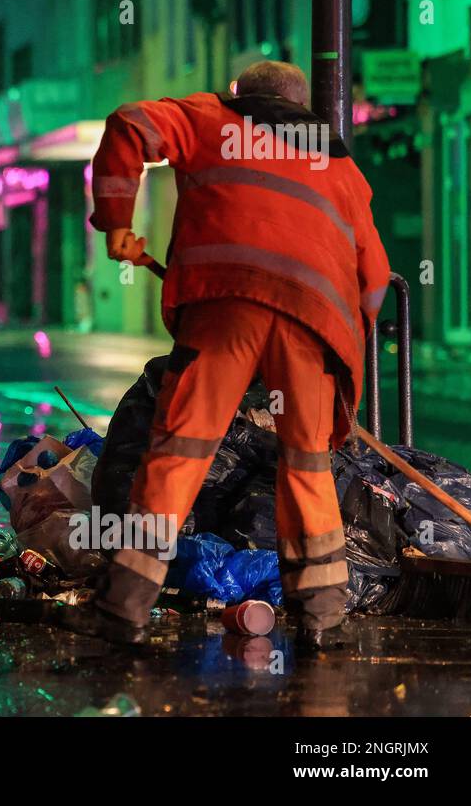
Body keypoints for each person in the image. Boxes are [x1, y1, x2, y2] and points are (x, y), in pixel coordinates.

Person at [64, 61, 390, 651]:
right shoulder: (341, 166)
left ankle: (124, 609)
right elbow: (372, 281)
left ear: (244, 96)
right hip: (312, 321)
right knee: (308, 463)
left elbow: (130, 124)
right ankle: (323, 620)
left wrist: (116, 223)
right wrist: (342, 353)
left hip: (226, 308)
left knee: (181, 451)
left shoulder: (213, 118)